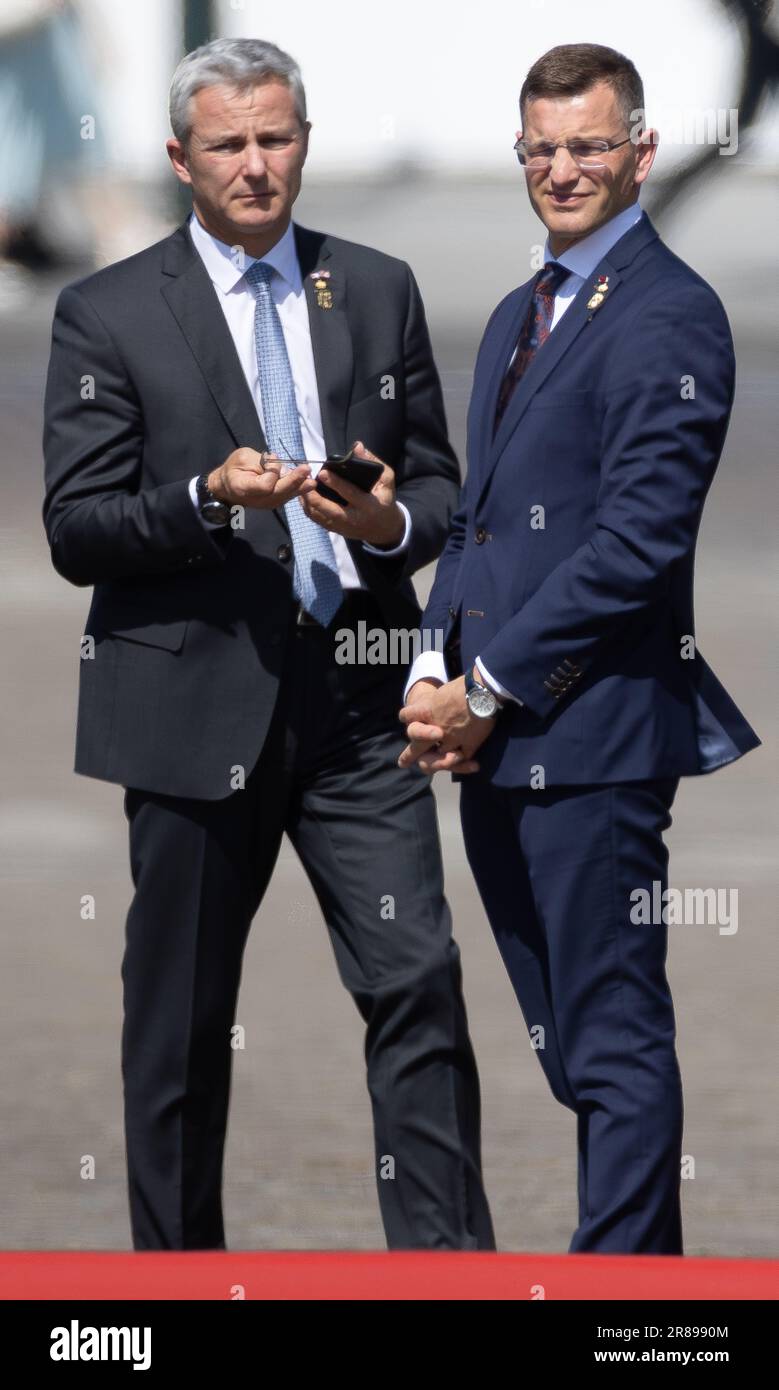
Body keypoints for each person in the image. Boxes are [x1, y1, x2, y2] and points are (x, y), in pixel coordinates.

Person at [42, 37, 495, 1252]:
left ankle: (447, 1279)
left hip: (356, 703)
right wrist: (204, 496)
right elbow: (76, 530)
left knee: (417, 984)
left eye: (277, 138)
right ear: (180, 157)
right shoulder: (106, 310)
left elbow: (446, 490)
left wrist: (389, 518)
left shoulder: (378, 285)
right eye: (231, 145)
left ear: (303, 138)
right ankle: (176, 1285)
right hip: (191, 714)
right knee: (183, 1025)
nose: (258, 166)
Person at [400, 43, 760, 1253]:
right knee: (570, 1043)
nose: (561, 169)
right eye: (540, 149)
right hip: (494, 740)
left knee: (608, 1040)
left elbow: (637, 543)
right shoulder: (517, 310)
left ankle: (624, 1303)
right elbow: (483, 517)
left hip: (593, 738)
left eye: (588, 146)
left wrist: (491, 684)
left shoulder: (671, 312)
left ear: (641, 154)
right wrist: (428, 665)